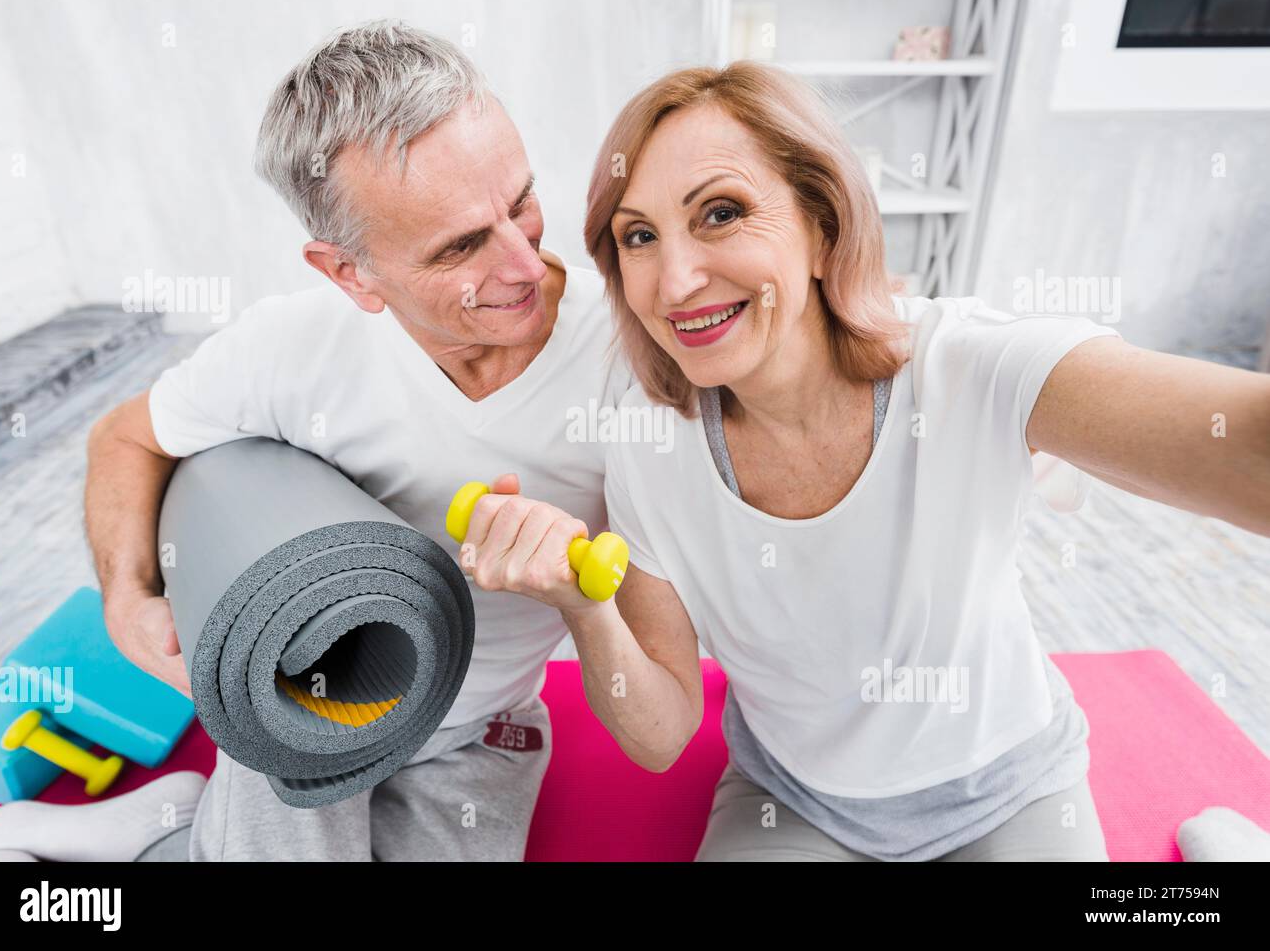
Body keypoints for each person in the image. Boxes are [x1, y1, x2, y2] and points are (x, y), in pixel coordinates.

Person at [456, 61, 1270, 861]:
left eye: (721, 213)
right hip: (795, 800)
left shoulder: (972, 365)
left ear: (822, 226)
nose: (675, 280)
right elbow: (661, 734)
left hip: (1008, 788)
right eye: (640, 236)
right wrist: (583, 604)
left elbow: (1244, 445)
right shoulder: (647, 444)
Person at [78, 21, 630, 862]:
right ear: (350, 273)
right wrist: (127, 597)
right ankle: (166, 828)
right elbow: (125, 438)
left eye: (519, 201)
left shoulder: (629, 355)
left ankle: (178, 828)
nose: (523, 263)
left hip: (482, 730)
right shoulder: (289, 347)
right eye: (462, 246)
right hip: (297, 697)